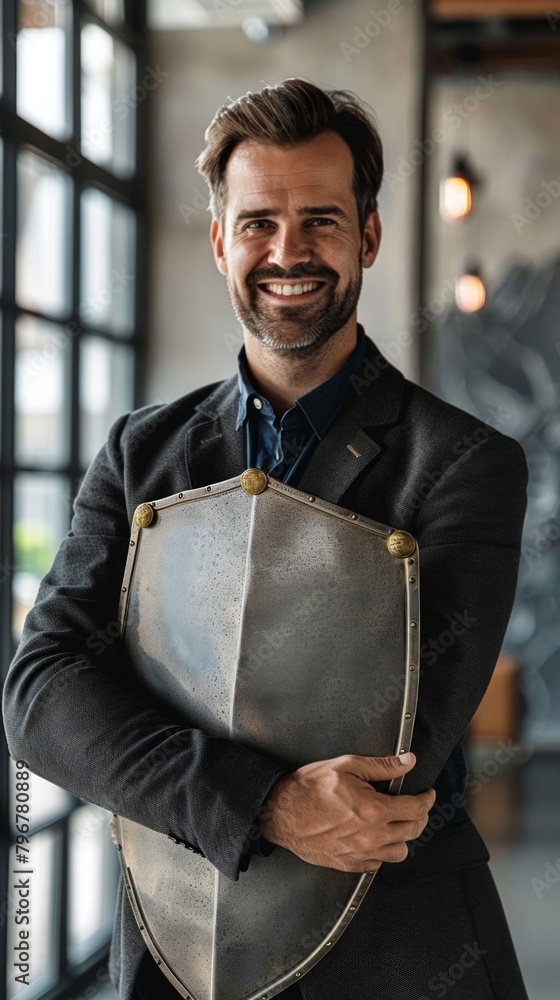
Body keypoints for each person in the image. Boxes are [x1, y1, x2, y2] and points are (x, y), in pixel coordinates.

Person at [3, 79, 529, 1000]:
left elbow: (397, 749)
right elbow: (42, 694)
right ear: (219, 242)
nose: (289, 252)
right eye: (258, 223)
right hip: (172, 947)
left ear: (367, 235)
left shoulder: (465, 464)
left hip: (397, 952)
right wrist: (267, 803)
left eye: (321, 220)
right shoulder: (140, 455)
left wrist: (149, 744)